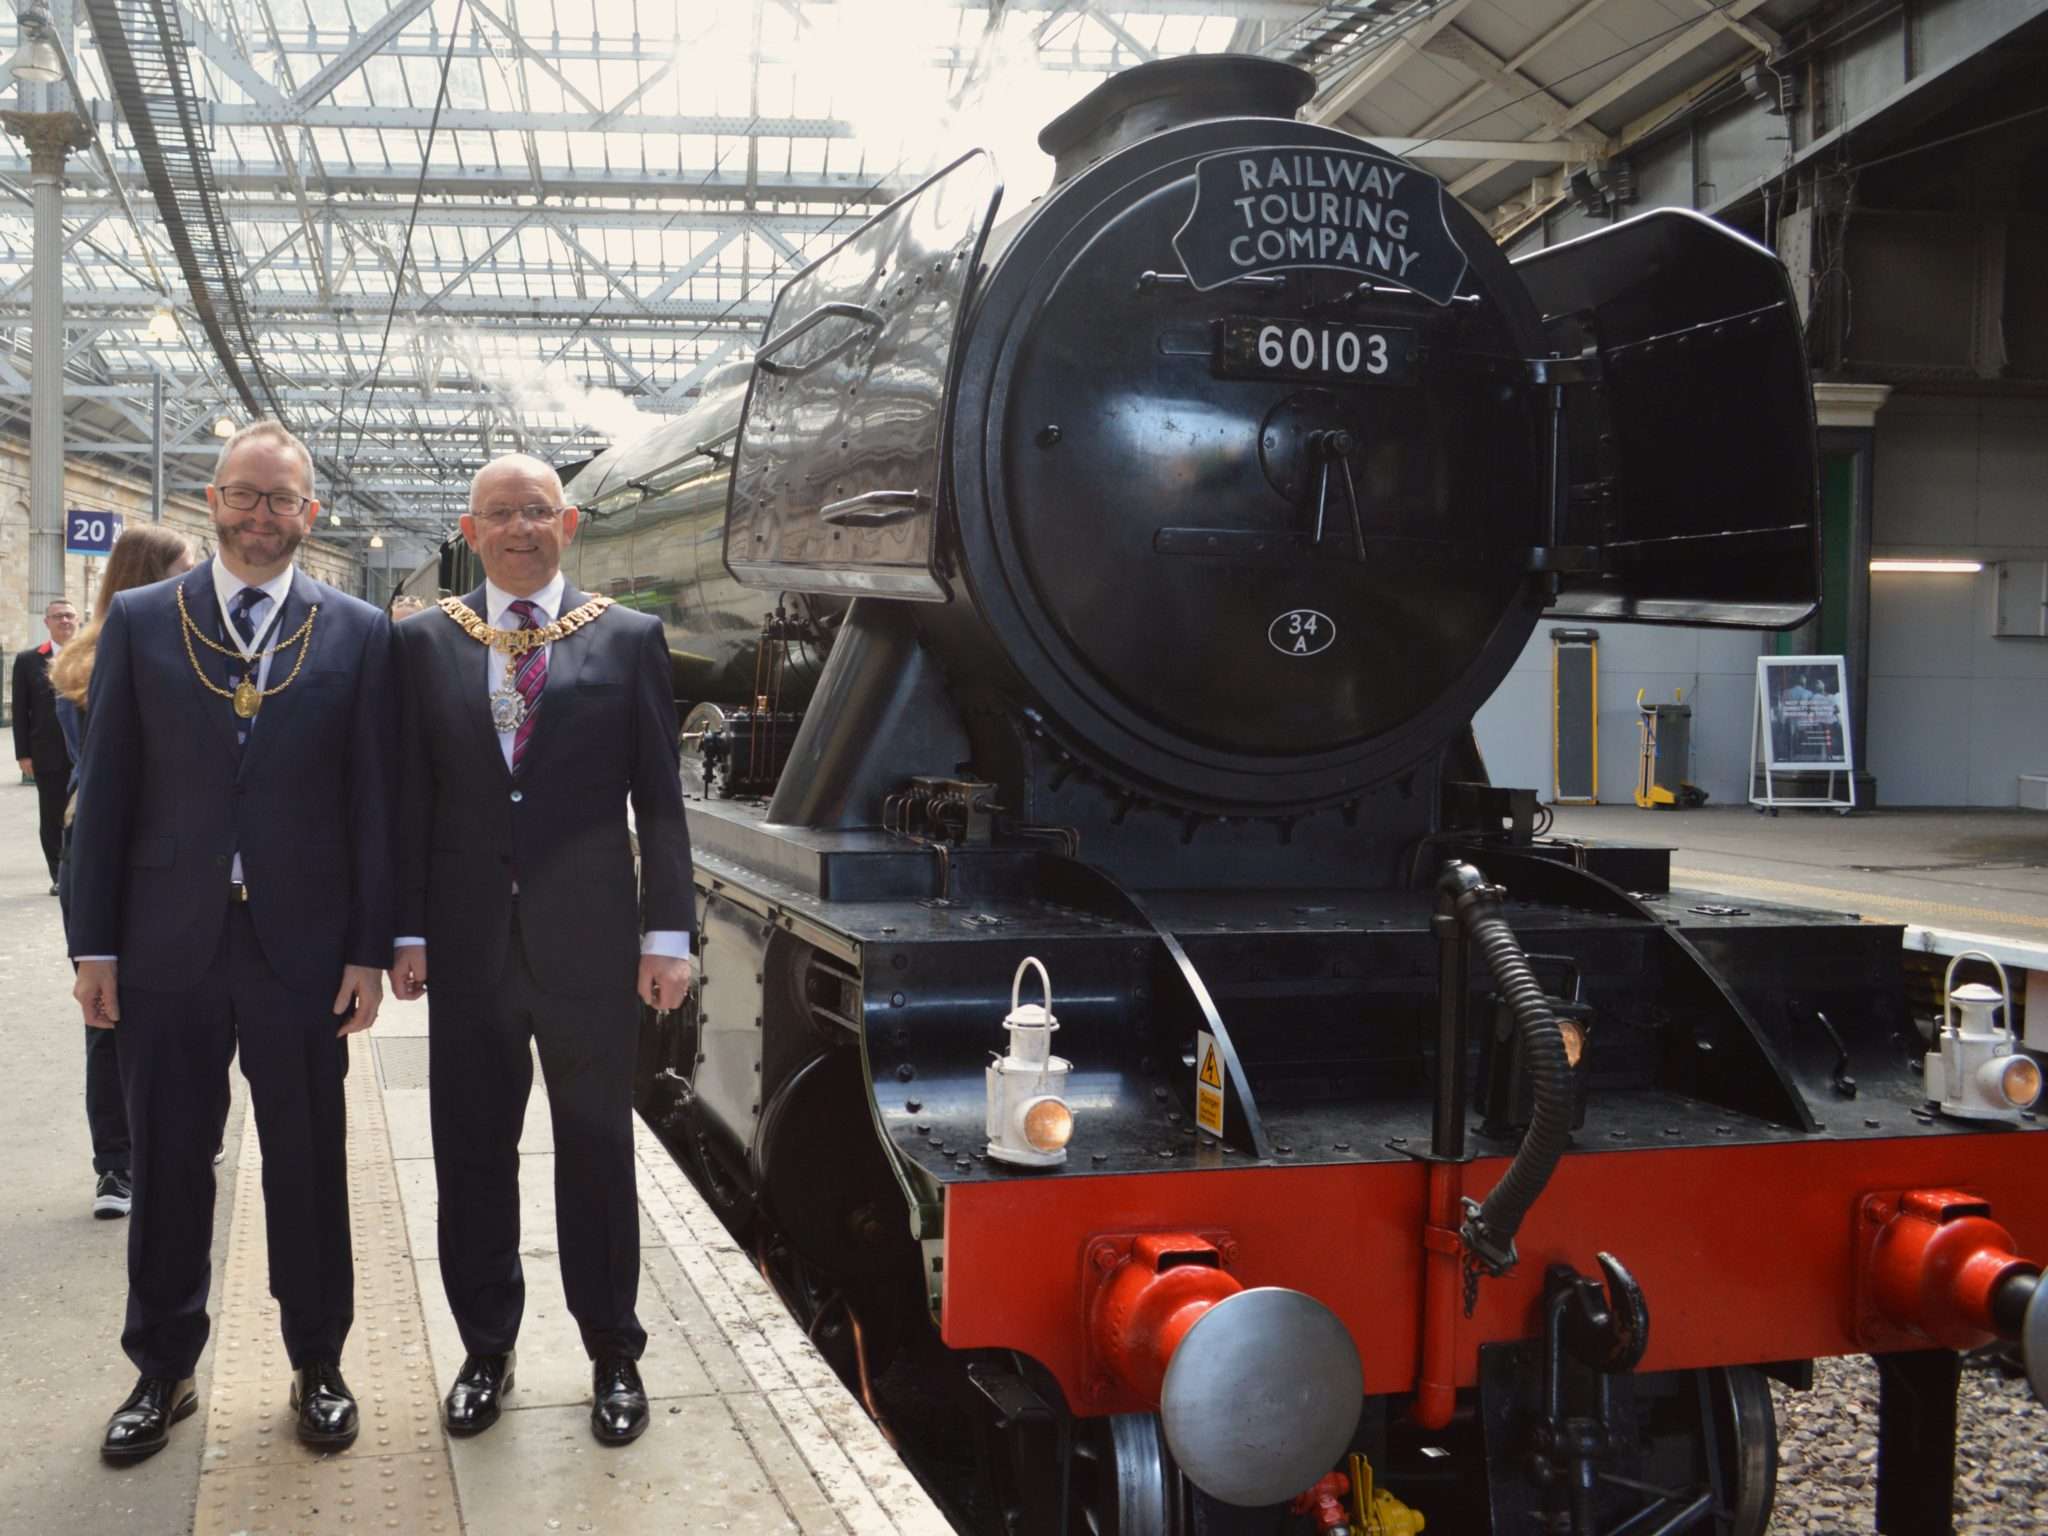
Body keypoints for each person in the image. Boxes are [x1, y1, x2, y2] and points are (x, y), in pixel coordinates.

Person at [67, 421, 396, 1464]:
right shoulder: (140, 619)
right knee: (169, 1160)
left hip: (300, 949)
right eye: (245, 495)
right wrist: (95, 950)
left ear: (312, 513)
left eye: (283, 500)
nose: (262, 515)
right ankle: (162, 1371)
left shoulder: (354, 631)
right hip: (169, 944)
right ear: (213, 500)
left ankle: (319, 1362)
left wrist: (366, 949)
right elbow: (105, 792)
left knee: (307, 1164)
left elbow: (370, 804)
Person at [389, 453, 693, 1446]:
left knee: (598, 1149)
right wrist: (405, 928)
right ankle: (487, 1350)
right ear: (469, 534)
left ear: (567, 524)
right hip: (470, 944)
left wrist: (667, 932)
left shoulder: (630, 640)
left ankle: (612, 1353)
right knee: (472, 1153)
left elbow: (658, 799)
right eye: (497, 515)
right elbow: (408, 803)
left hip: (591, 943)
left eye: (534, 511)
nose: (518, 528)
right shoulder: (426, 644)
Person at [50, 524, 197, 1222]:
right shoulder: (123, 647)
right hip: (121, 847)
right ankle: (119, 1160)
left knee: (122, 1009)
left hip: (103, 846)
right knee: (112, 1005)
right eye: (185, 570)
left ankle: (124, 1157)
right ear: (152, 577)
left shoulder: (90, 650)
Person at [15, 596, 80, 893]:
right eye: (58, 616)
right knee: (52, 815)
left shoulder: (95, 654)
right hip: (48, 753)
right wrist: (23, 753)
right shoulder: (29, 660)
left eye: (69, 615)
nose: (64, 621)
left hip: (87, 750)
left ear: (77, 619)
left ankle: (81, 868)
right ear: (47, 622)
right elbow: (20, 710)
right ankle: (59, 875)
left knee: (85, 811)